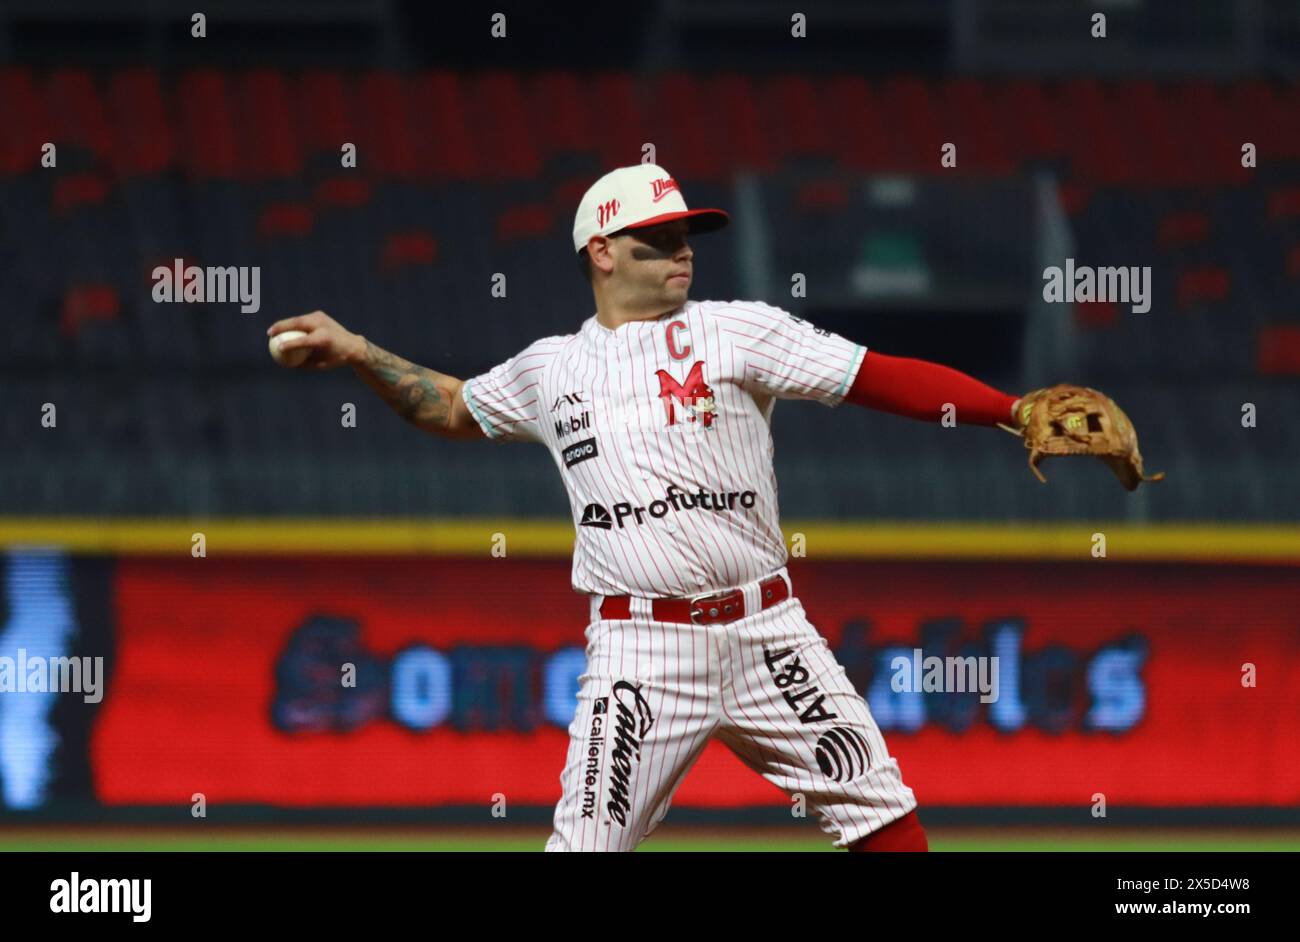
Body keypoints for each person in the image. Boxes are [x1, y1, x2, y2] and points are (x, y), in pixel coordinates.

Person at [267, 163, 1026, 851]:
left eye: (685, 237)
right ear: (601, 251)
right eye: (658, 239)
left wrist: (1012, 411)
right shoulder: (551, 368)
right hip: (641, 651)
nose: (681, 252)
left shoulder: (737, 330)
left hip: (768, 630)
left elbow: (876, 376)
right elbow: (453, 407)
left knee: (886, 823)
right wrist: (362, 353)